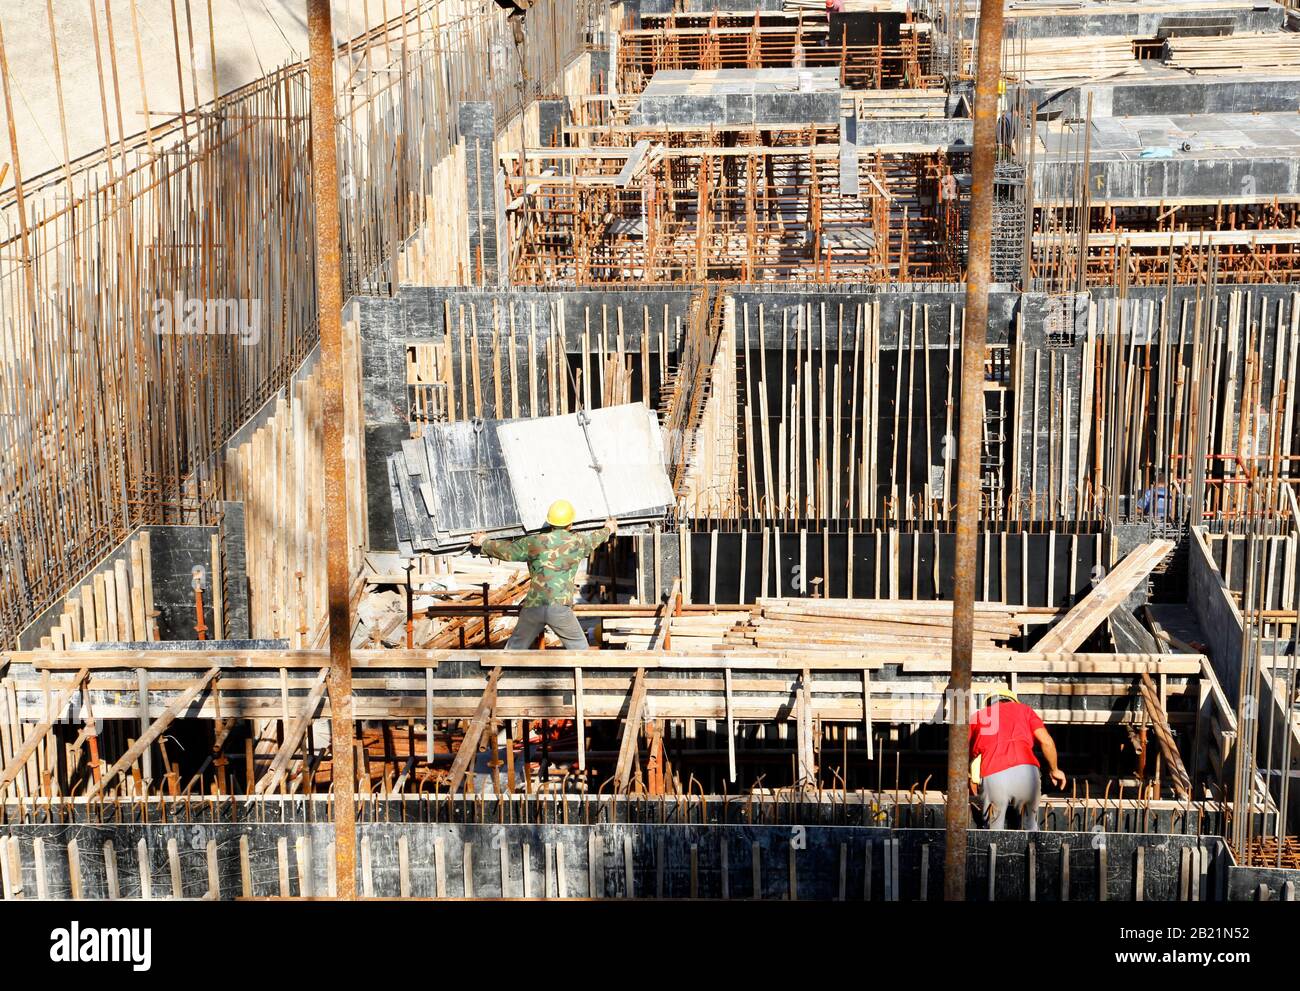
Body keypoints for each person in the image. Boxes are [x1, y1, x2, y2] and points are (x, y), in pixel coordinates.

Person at [470, 499, 617, 650]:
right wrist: (609, 528)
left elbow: (507, 550)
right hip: (559, 608)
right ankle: (581, 672)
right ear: (571, 524)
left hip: (533, 607)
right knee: (580, 650)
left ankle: (502, 671)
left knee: (514, 651)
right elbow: (596, 537)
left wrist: (483, 541)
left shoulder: (534, 542)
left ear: (549, 521)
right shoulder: (578, 542)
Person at [968, 688, 1066, 830]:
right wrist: (1055, 769)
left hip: (994, 773)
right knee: (1030, 828)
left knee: (994, 832)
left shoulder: (979, 717)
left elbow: (964, 751)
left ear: (988, 704)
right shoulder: (1024, 710)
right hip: (1027, 773)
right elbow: (1047, 742)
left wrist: (970, 777)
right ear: (1013, 700)